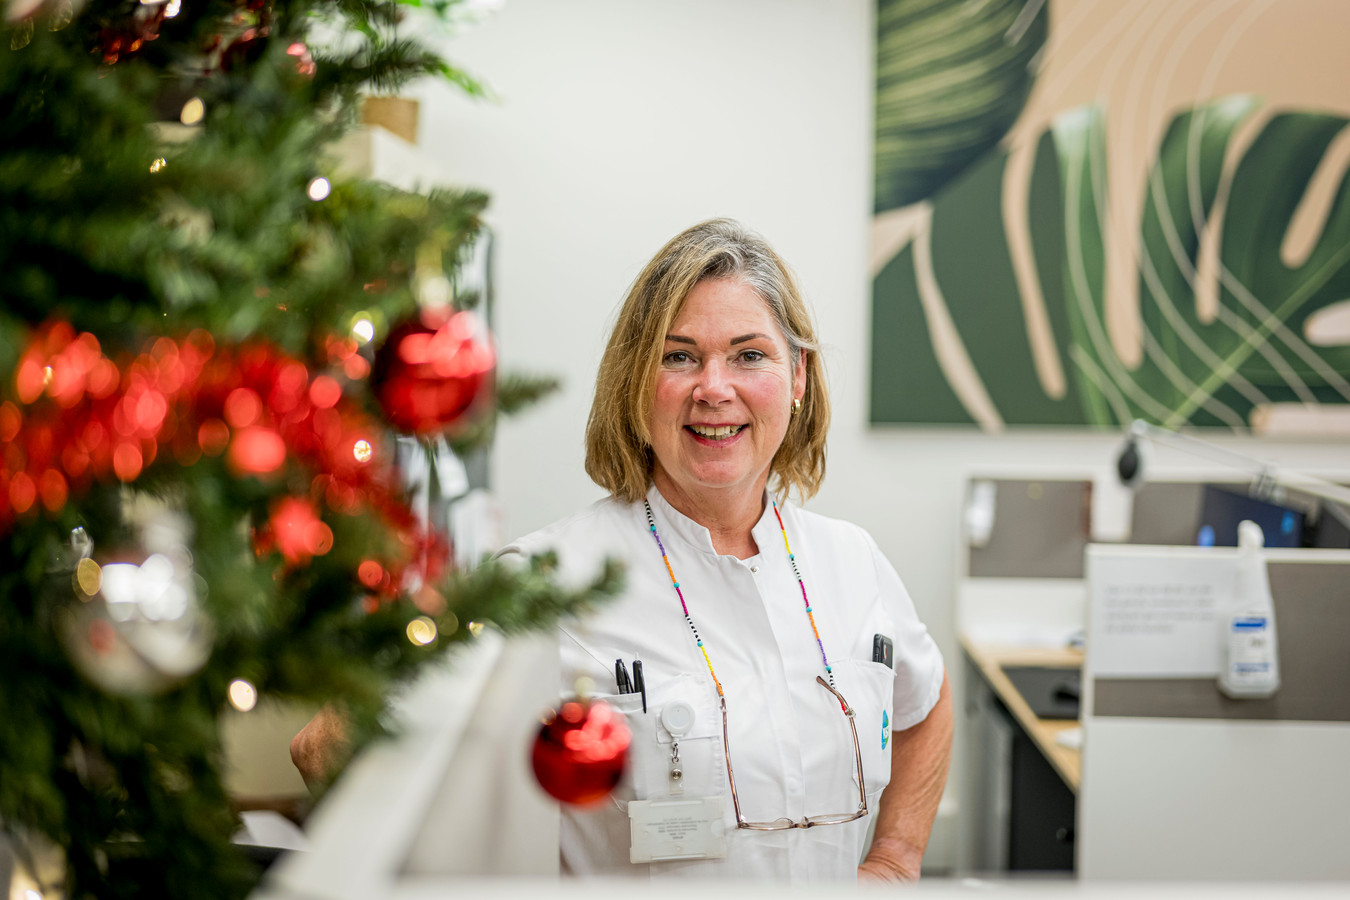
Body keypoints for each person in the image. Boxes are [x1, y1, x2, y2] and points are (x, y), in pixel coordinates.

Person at [497, 218, 952, 881]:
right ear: (635, 382)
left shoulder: (851, 562)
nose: (714, 388)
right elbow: (344, 750)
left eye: (749, 355)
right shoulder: (548, 582)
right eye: (679, 356)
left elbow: (927, 701)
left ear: (797, 377)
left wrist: (894, 858)